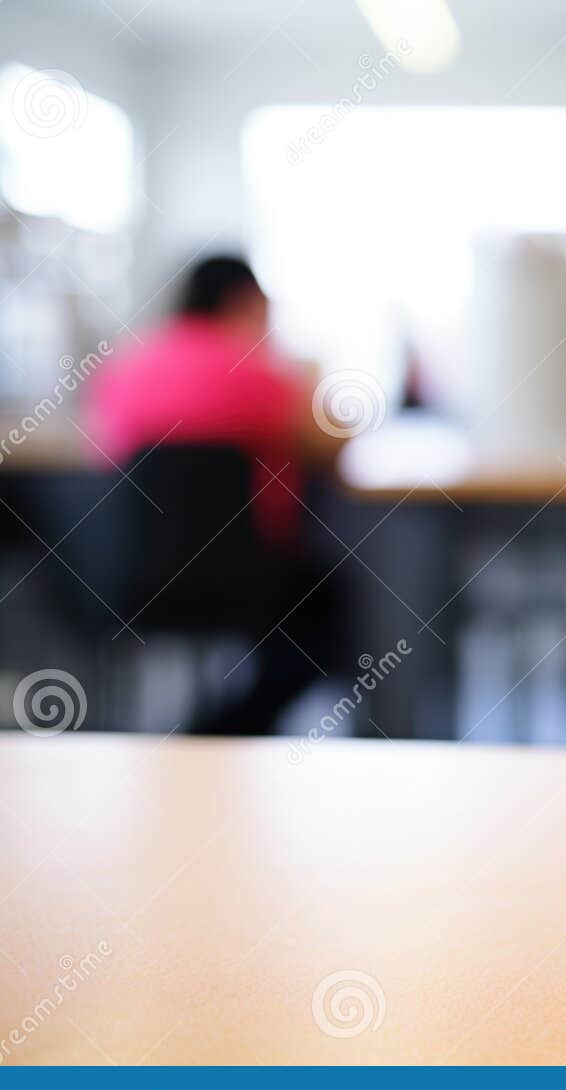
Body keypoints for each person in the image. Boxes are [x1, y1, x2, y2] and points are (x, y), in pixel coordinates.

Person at [87, 254, 343, 734]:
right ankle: (223, 732)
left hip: (133, 579)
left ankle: (202, 737)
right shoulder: (258, 372)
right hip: (249, 583)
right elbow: (330, 443)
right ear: (242, 302)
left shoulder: (124, 370)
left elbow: (102, 453)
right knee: (328, 612)